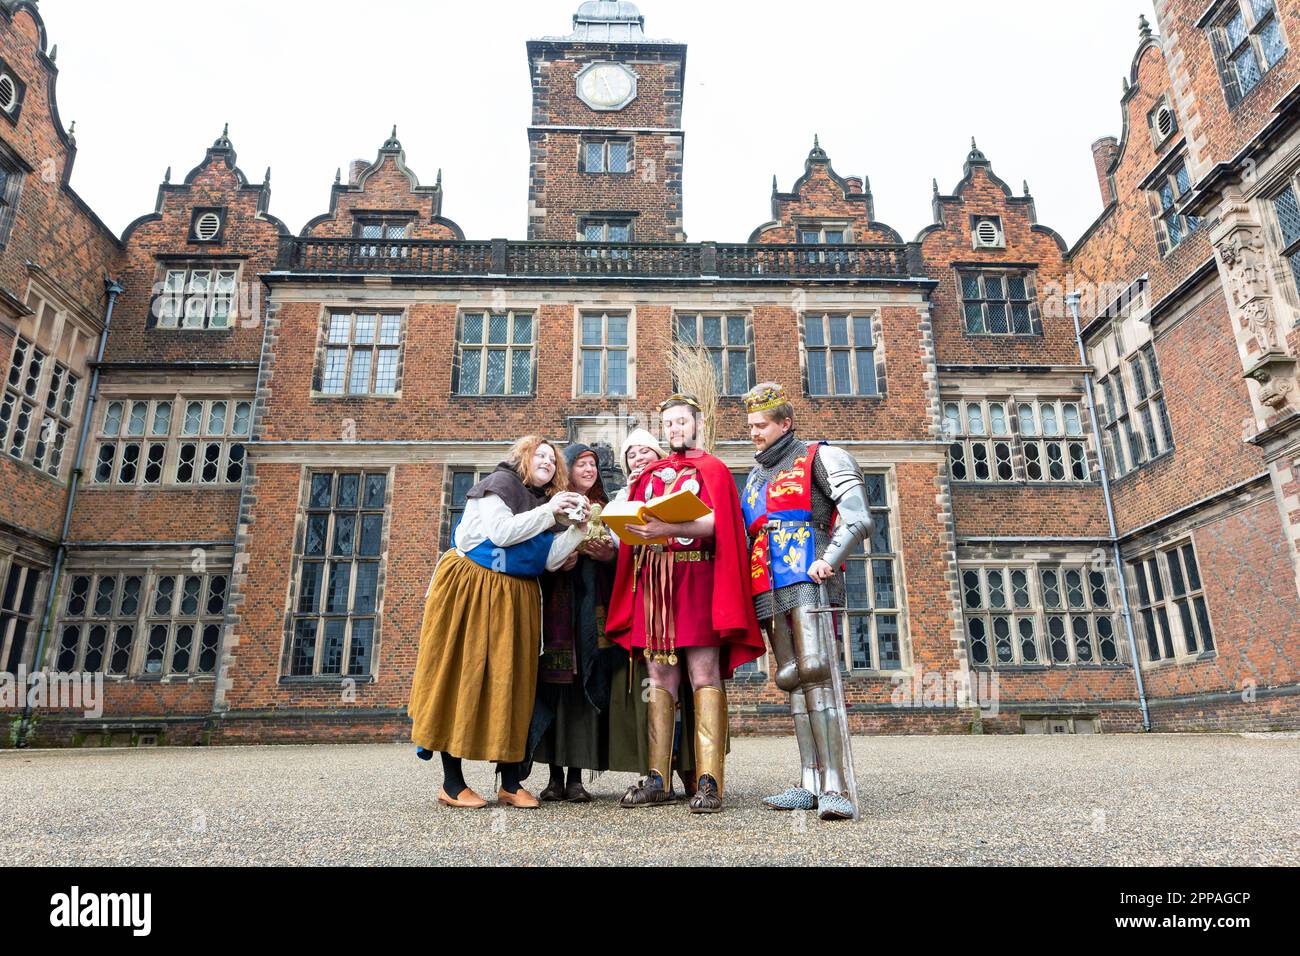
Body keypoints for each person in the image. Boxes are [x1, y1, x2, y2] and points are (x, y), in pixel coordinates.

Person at [408, 436, 589, 809]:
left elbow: (550, 560)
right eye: (538, 455)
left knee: (514, 683)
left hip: (517, 596)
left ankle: (509, 782)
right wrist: (551, 511)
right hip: (472, 589)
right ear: (521, 459)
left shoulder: (543, 503)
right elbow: (501, 534)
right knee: (463, 678)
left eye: (552, 459)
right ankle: (452, 782)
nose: (547, 462)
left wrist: (578, 530)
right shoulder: (497, 487)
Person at [606, 395, 764, 813]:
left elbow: (721, 523)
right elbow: (634, 523)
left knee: (703, 672)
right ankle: (658, 778)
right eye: (669, 424)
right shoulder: (650, 475)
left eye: (681, 422)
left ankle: (709, 782)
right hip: (656, 582)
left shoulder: (712, 469)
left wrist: (671, 525)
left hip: (698, 578)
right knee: (658, 677)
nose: (675, 429)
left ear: (697, 424)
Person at [739, 383, 874, 821]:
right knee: (791, 677)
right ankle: (809, 779)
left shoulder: (821, 456)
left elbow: (857, 516)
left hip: (809, 575)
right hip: (769, 584)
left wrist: (828, 560)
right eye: (751, 426)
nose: (754, 433)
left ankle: (836, 785)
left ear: (785, 422)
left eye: (761, 426)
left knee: (816, 671)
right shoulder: (756, 476)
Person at [524, 442, 619, 802]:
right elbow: (534, 547)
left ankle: (577, 776)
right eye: (581, 463)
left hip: (591, 605)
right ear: (568, 468)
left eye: (593, 464)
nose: (589, 469)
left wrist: (608, 556)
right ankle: (553, 776)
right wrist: (555, 560)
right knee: (554, 684)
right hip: (556, 605)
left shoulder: (608, 507)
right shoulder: (552, 504)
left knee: (584, 682)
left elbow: (620, 554)